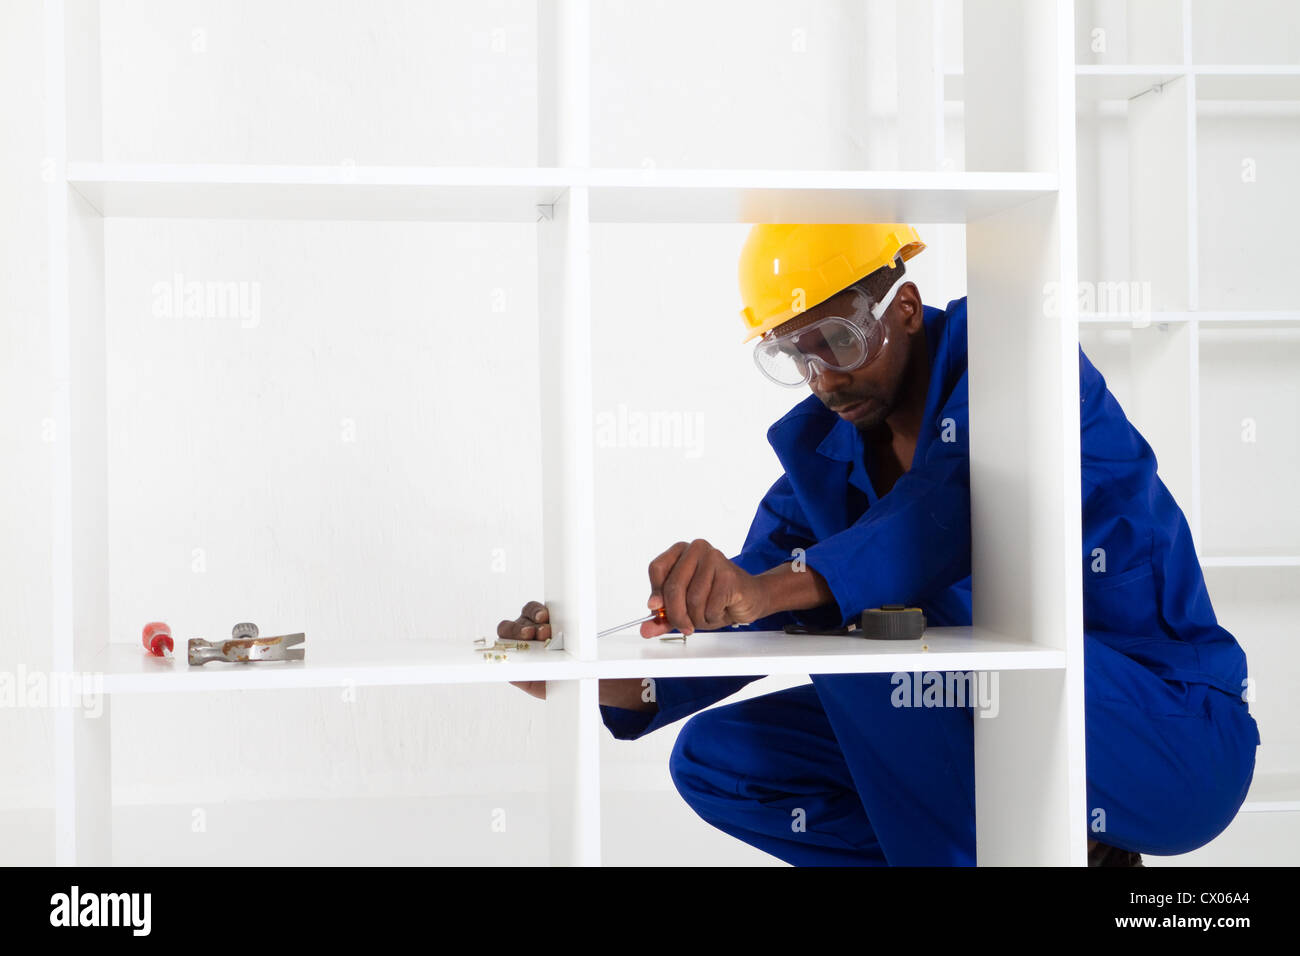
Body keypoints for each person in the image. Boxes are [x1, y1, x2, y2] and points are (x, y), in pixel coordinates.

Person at [503, 223, 1261, 866]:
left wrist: (769, 591)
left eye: (836, 340)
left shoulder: (1021, 364)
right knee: (720, 762)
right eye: (795, 356)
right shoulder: (825, 460)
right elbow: (742, 619)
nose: (822, 379)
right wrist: (583, 677)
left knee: (867, 647)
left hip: (1170, 736)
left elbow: (945, 514)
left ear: (901, 309)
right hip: (992, 737)